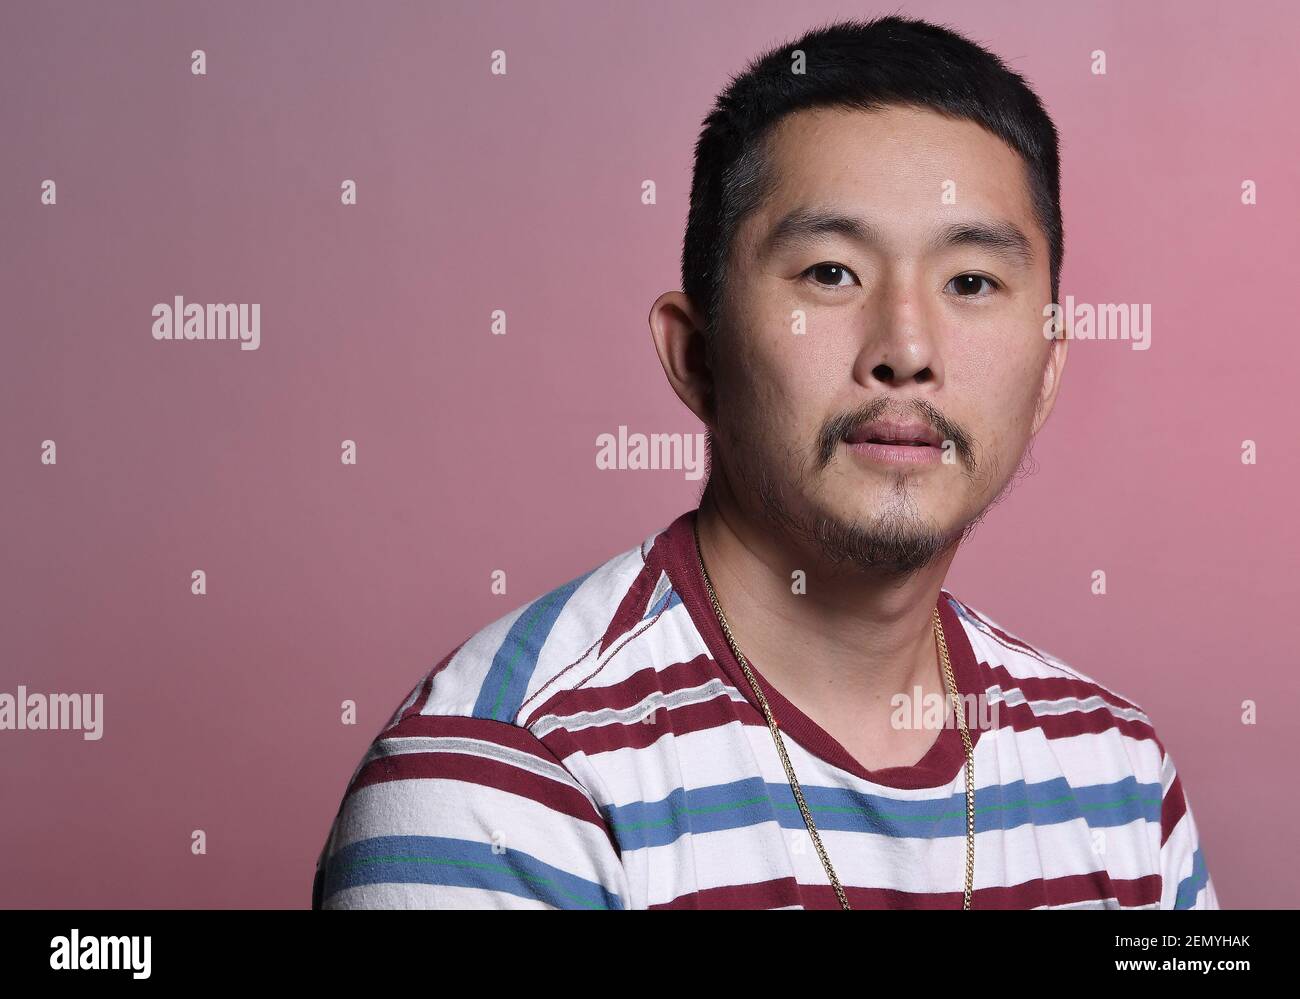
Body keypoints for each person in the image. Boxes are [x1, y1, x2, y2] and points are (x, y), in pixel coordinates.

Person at [312, 14, 1216, 909]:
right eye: (830, 272)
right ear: (697, 354)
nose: (905, 348)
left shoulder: (1121, 778)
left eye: (971, 282)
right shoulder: (502, 785)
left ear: (1049, 371)